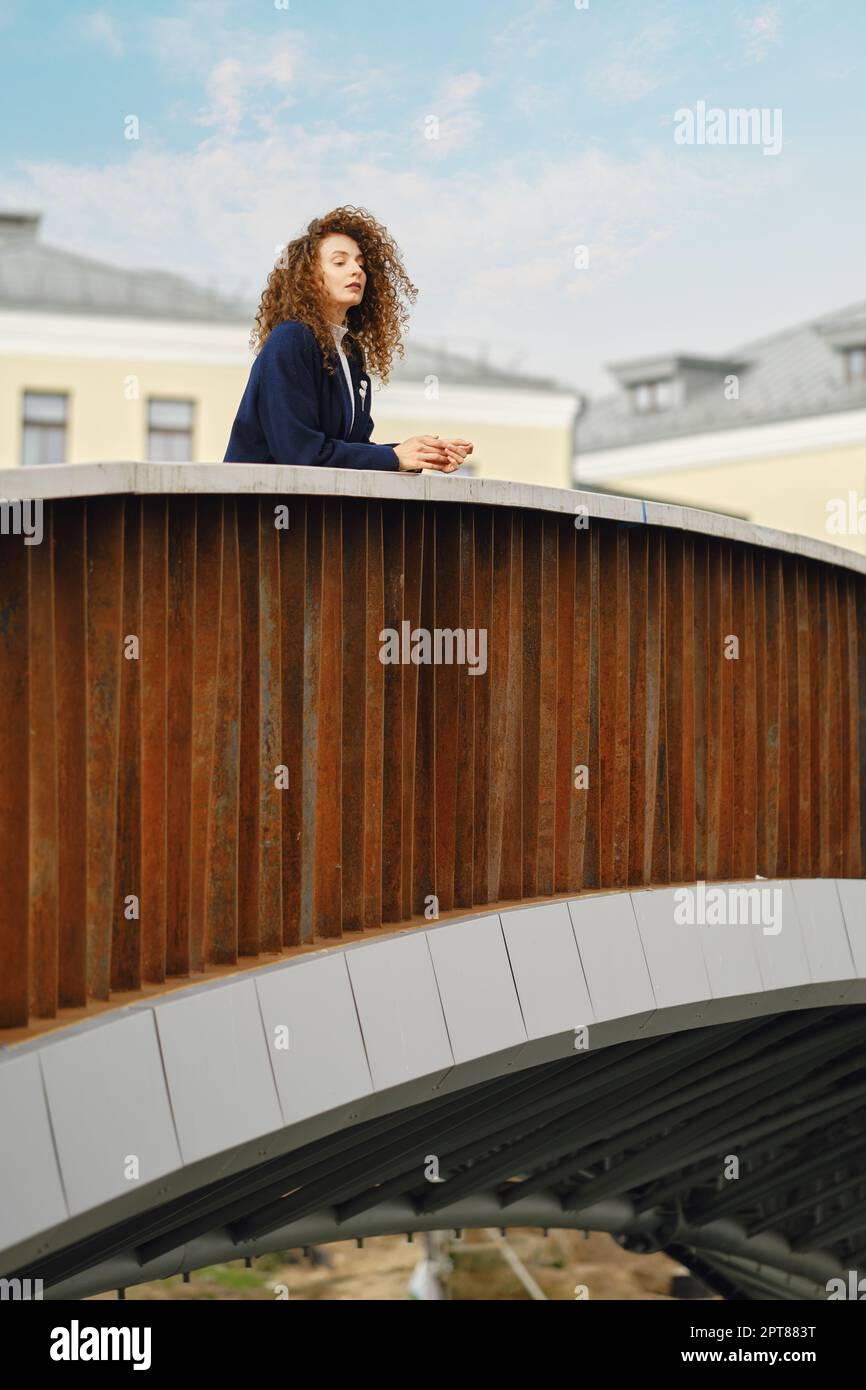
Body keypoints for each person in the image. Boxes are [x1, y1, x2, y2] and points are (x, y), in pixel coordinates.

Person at [224, 206, 473, 475]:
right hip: (259, 511)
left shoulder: (348, 351)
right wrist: (394, 457)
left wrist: (419, 455)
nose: (356, 270)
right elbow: (300, 454)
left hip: (312, 510)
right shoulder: (290, 340)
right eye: (340, 262)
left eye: (361, 264)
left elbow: (352, 448)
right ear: (308, 276)